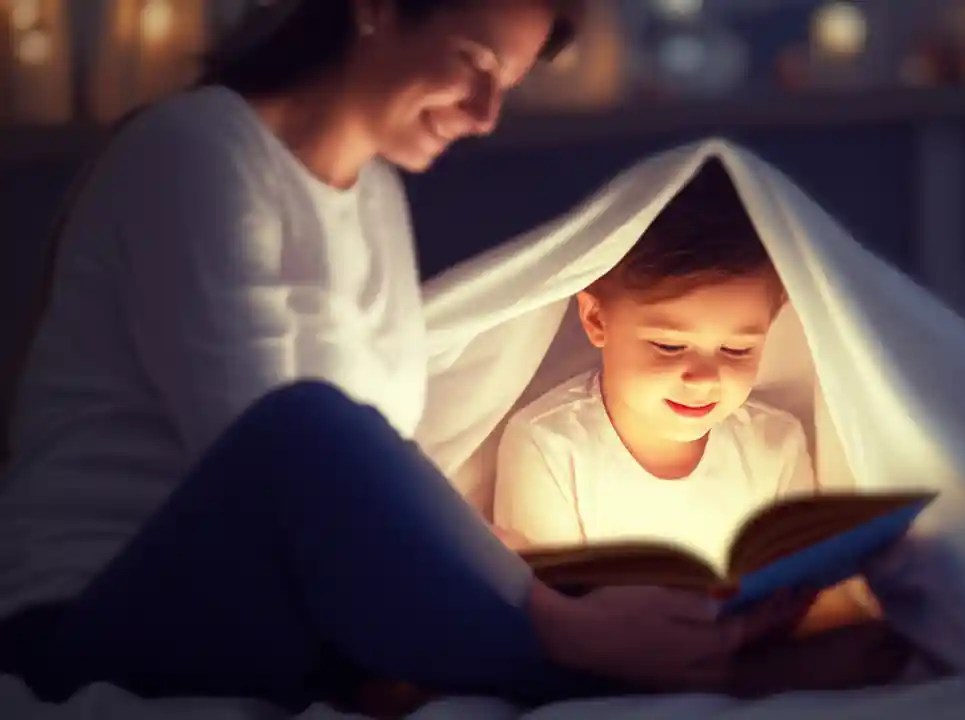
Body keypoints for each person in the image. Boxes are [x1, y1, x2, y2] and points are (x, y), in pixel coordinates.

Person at [0, 0, 810, 713]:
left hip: (280, 610)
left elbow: (375, 457)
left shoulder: (374, 195)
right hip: (95, 614)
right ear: (377, 8)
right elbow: (265, 448)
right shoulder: (197, 150)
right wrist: (556, 620)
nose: (487, 111)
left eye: (510, 82)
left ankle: (694, 652)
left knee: (400, 479)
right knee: (312, 427)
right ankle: (630, 664)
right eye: (473, 63)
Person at [494, 160, 910, 694]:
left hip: (752, 646)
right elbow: (550, 610)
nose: (703, 377)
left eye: (737, 349)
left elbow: (806, 586)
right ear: (598, 321)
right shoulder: (549, 443)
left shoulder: (774, 442)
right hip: (610, 659)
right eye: (669, 345)